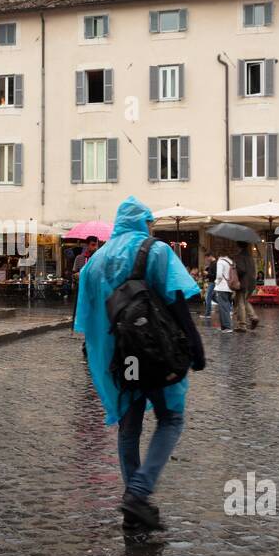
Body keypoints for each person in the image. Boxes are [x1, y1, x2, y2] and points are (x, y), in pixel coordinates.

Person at [74, 197, 205, 530]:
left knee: (129, 426)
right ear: (145, 222)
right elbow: (177, 298)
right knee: (170, 418)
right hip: (155, 352)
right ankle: (139, 491)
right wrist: (194, 343)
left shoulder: (95, 261)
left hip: (120, 359)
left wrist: (96, 357)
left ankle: (134, 501)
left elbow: (85, 319)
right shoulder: (155, 251)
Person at [70, 236, 101, 331]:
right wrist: (77, 275)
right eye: (93, 245)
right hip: (82, 288)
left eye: (96, 245)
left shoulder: (99, 258)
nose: (95, 247)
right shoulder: (79, 258)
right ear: (87, 245)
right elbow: (73, 273)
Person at [232, 242, 259, 332]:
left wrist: (234, 267)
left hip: (243, 283)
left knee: (241, 303)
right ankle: (253, 317)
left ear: (238, 246)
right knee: (245, 301)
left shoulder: (239, 256)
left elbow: (241, 270)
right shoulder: (250, 257)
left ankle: (242, 325)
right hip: (251, 283)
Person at [213, 251, 235, 333]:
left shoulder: (220, 261)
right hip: (230, 287)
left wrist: (216, 282)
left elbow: (219, 275)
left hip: (222, 287)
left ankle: (227, 327)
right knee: (226, 307)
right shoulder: (230, 261)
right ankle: (224, 327)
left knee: (224, 308)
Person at [202, 252, 218, 323]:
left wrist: (207, 274)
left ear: (210, 256)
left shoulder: (215, 263)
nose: (206, 260)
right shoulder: (212, 263)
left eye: (207, 258)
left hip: (213, 282)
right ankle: (228, 307)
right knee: (213, 298)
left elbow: (214, 275)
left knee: (207, 297)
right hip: (212, 282)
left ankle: (207, 314)